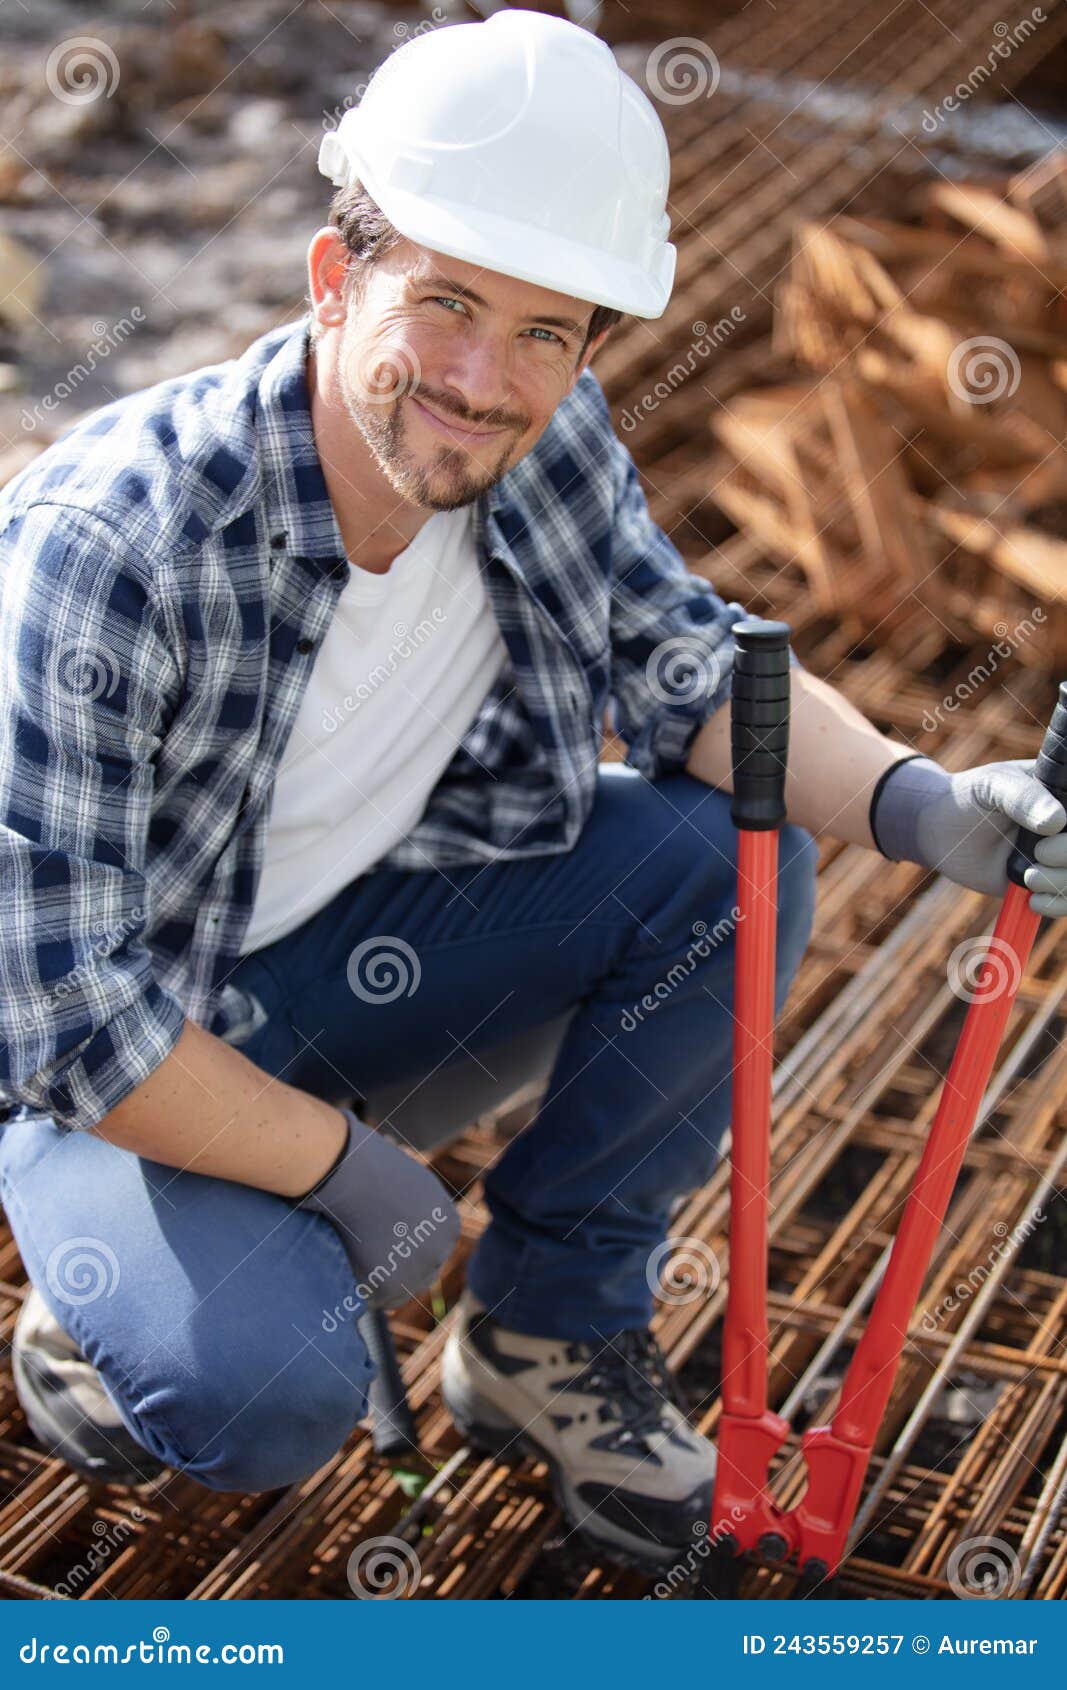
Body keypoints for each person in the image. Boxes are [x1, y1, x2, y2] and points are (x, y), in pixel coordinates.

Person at [1, 10, 1065, 1575]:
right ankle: (96, 1314)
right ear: (329, 276)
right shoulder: (111, 555)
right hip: (114, 1064)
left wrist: (923, 803)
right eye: (445, 304)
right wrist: (350, 1175)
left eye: (545, 332)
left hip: (333, 972)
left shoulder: (534, 449)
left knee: (720, 861)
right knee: (267, 1392)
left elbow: (696, 671)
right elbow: (62, 1021)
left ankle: (549, 1336)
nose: (485, 381)